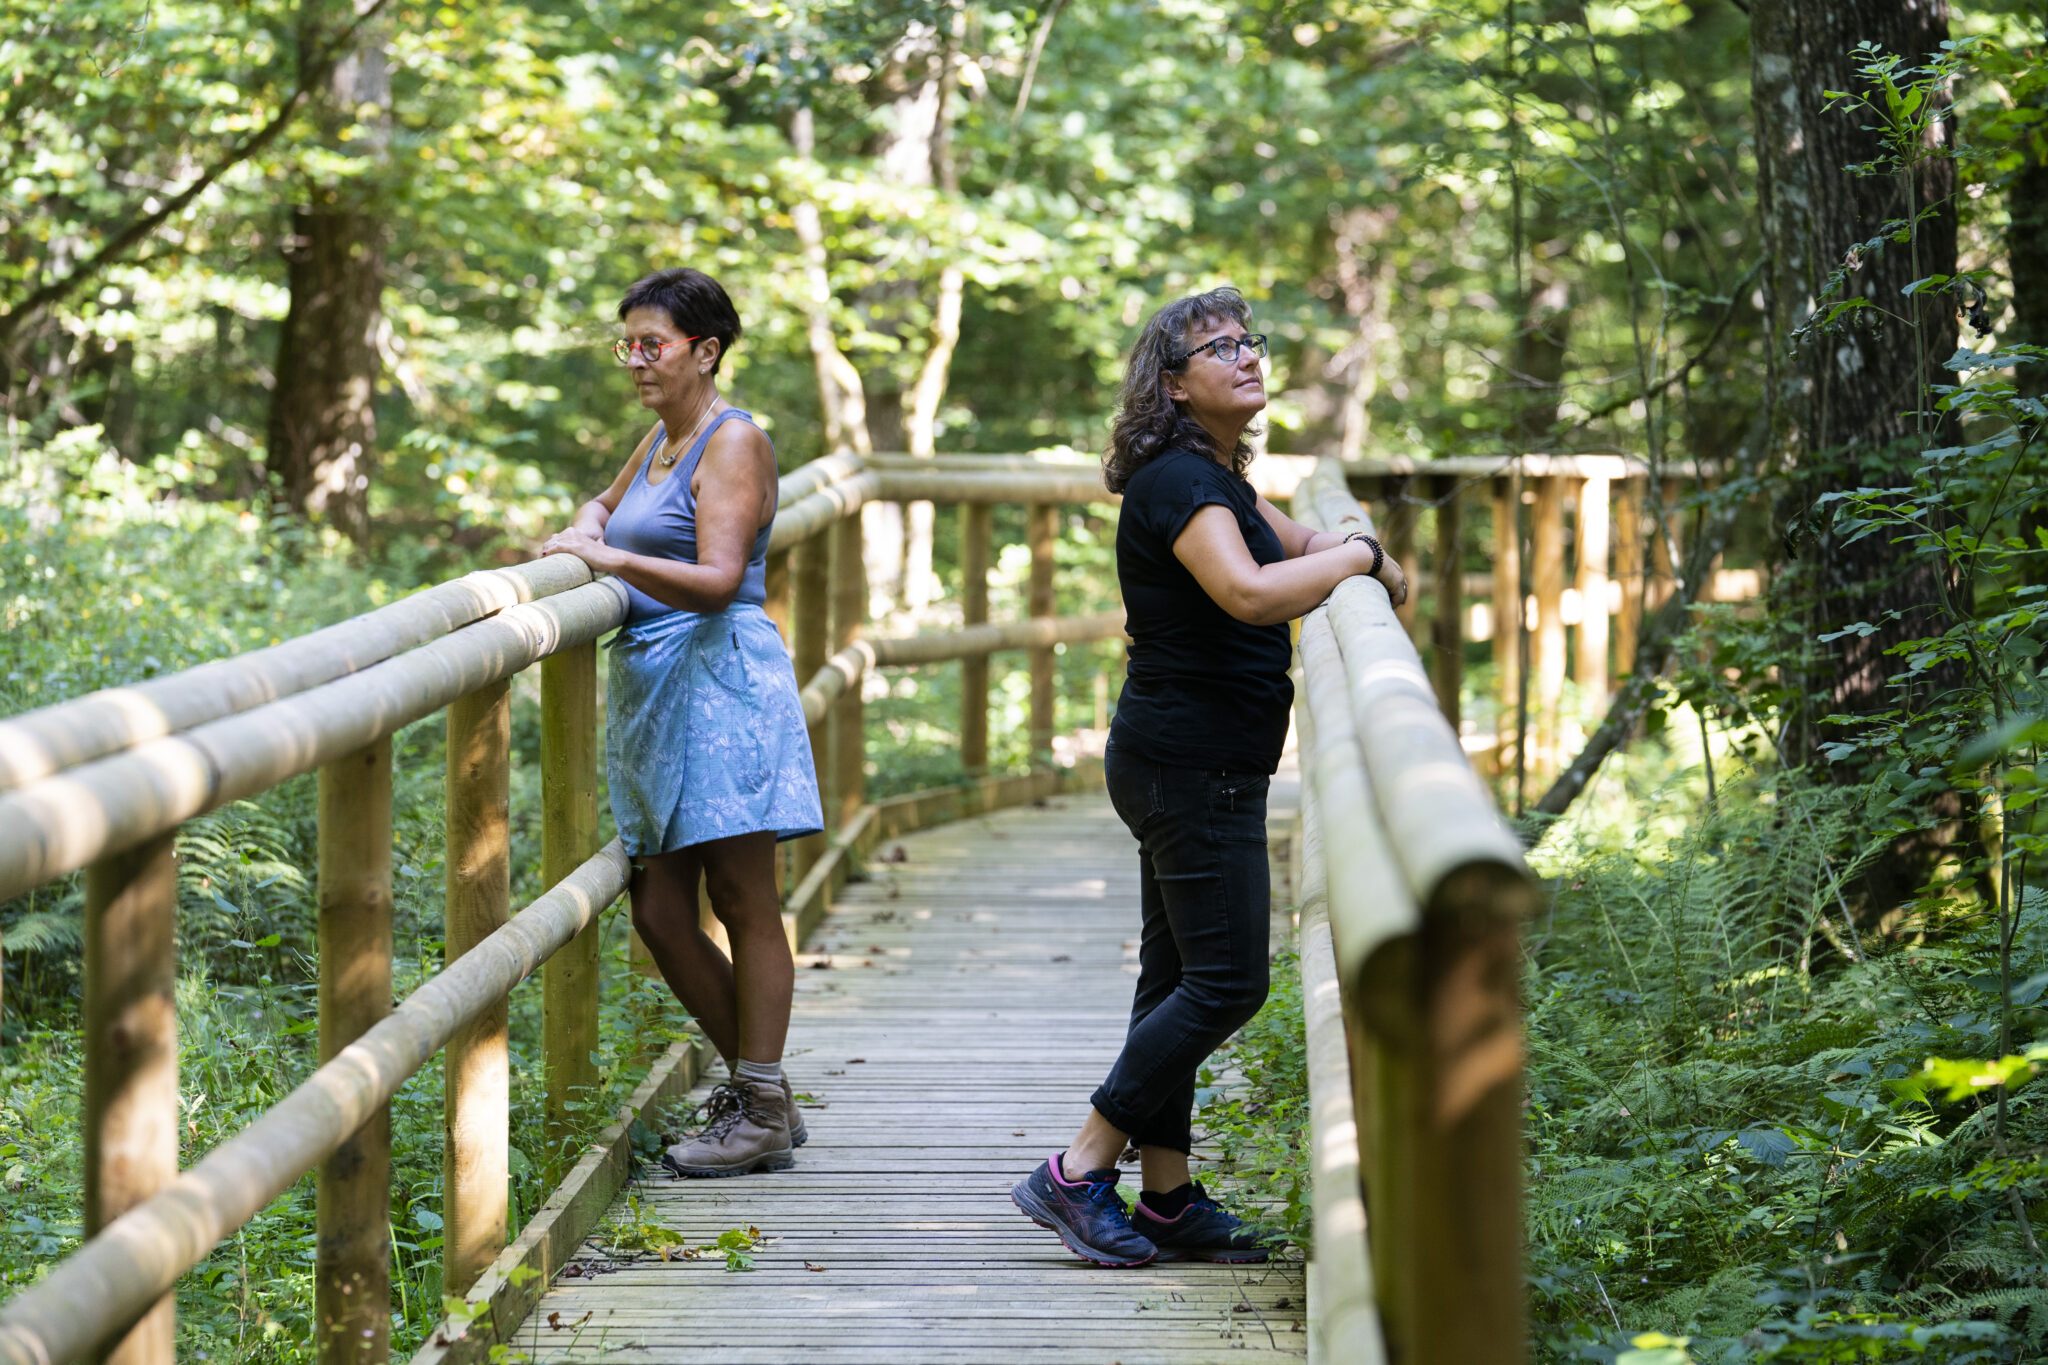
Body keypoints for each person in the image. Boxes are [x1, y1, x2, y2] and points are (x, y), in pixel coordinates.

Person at [1010, 286, 1409, 1265]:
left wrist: (1356, 553)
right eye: (1216, 348)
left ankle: (1168, 1197)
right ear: (1174, 387)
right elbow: (1249, 590)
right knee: (1226, 982)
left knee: (1174, 979)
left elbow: (1300, 547)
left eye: (1247, 341)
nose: (1244, 356)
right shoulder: (1178, 486)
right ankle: (1073, 1171)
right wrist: (1360, 560)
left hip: (1186, 758)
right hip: (1192, 768)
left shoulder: (1213, 474)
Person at [543, 267, 823, 1178]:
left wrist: (602, 551)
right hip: (658, 692)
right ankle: (761, 1094)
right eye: (625, 341)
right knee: (661, 908)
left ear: (704, 350)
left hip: (721, 683)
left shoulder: (732, 442)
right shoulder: (663, 440)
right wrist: (590, 525)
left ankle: (761, 1097)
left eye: (651, 343)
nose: (635, 359)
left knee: (742, 899)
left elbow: (715, 576)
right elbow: (604, 505)